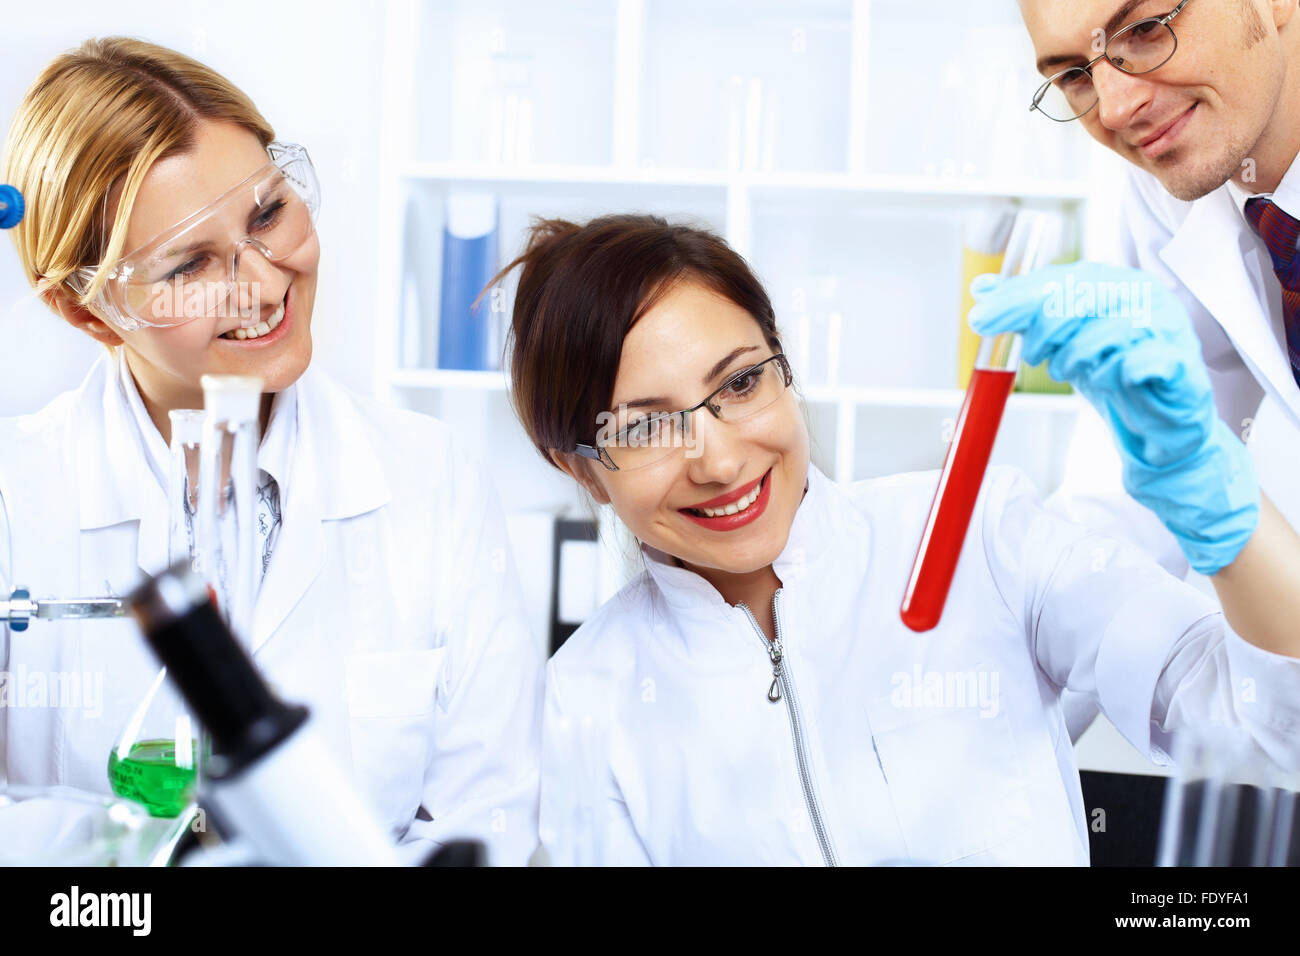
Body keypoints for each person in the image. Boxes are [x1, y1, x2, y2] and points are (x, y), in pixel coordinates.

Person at [500, 213, 1300, 865]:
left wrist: (1219, 506)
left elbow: (1263, 727)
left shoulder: (983, 535)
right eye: (647, 427)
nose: (718, 458)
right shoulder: (589, 697)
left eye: (741, 383)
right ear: (581, 469)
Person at [0, 38, 542, 864]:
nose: (262, 282)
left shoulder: (430, 480)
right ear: (87, 312)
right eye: (188, 264)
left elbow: (486, 821)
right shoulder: (15, 498)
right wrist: (144, 855)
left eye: (267, 214)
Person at [1019, 0, 1300, 564]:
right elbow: (1129, 490)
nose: (1117, 109)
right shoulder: (1169, 184)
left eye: (1145, 28)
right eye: (1075, 76)